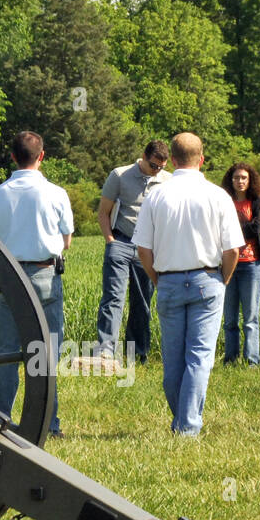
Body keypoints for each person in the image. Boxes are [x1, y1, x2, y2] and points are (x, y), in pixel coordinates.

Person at [133, 132, 242, 435]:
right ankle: (188, 425)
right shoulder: (218, 195)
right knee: (199, 357)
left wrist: (158, 278)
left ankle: (181, 420)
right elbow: (233, 249)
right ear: (202, 159)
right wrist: (223, 279)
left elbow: (143, 247)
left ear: (174, 160)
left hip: (167, 280)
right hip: (207, 279)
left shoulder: (156, 194)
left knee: (173, 360)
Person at [0, 131, 73, 437]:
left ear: (12, 157)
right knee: (45, 353)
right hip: (45, 275)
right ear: (42, 156)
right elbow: (66, 241)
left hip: (9, 276)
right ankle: (47, 423)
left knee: (7, 352)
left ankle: (0, 417)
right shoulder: (56, 193)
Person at [96, 141, 171, 363]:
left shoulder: (168, 181)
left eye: (161, 167)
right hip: (120, 240)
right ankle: (106, 351)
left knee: (142, 301)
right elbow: (103, 212)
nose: (156, 170)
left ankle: (137, 354)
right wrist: (110, 241)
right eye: (153, 165)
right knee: (113, 298)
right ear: (143, 157)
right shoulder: (119, 175)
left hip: (147, 248)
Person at [220, 162, 260, 366]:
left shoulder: (256, 202)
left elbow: (256, 228)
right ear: (231, 180)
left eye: (244, 178)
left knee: (250, 318)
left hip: (251, 265)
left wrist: (236, 229)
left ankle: (252, 361)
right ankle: (230, 359)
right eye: (237, 177)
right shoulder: (223, 201)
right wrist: (243, 229)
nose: (240, 181)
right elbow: (221, 230)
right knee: (229, 319)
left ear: (250, 180)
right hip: (228, 264)